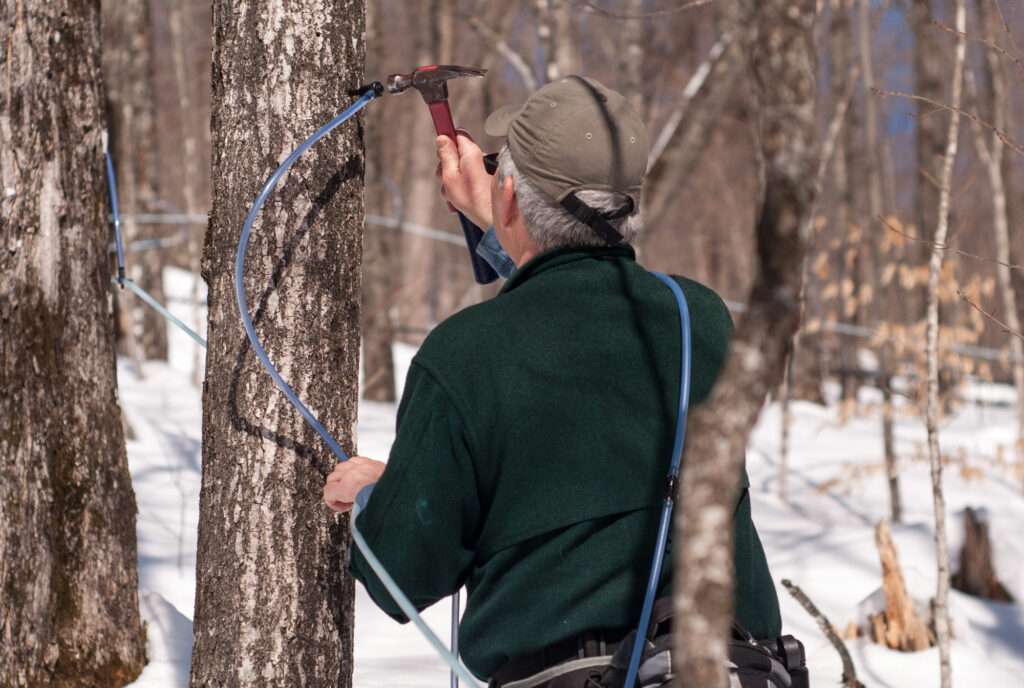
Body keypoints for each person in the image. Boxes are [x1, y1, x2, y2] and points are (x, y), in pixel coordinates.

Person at [324, 76, 783, 687]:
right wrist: (512, 219)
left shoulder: (465, 354)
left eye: (497, 168)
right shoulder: (698, 318)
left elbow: (398, 575)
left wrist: (374, 494)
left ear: (507, 191)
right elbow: (577, 326)